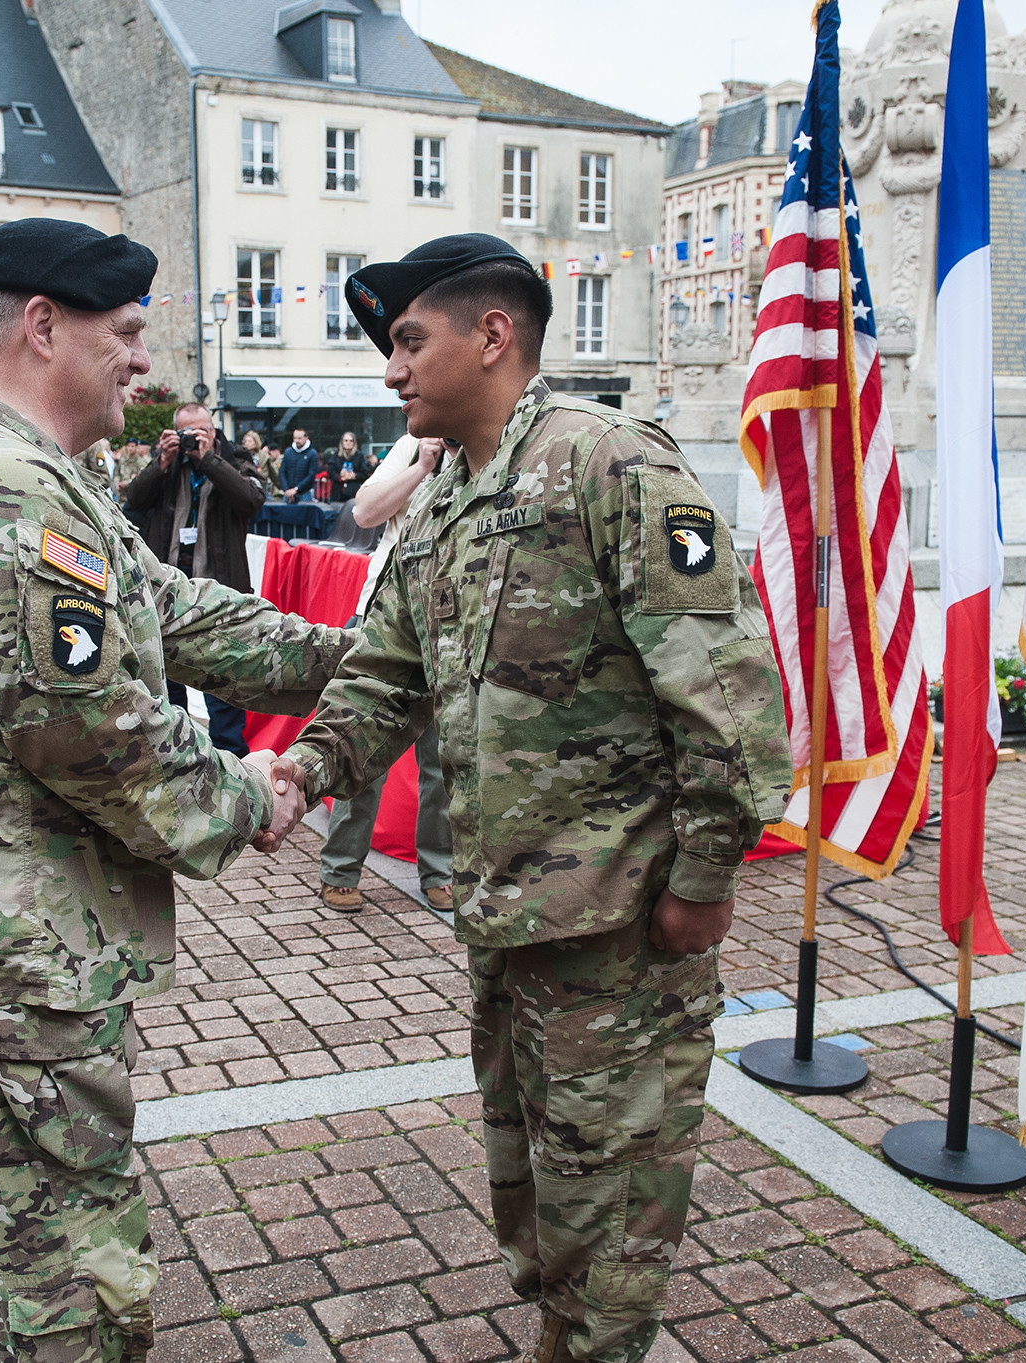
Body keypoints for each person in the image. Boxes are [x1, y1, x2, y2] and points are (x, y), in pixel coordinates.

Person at [266, 236, 793, 1363]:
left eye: (409, 340)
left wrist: (702, 879)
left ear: (492, 334)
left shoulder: (609, 464)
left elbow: (729, 700)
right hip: (507, 920)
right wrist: (302, 772)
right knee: (535, 1180)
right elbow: (382, 673)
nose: (392, 371)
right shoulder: (446, 500)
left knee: (611, 1201)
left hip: (617, 928)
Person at [0, 218, 350, 1363]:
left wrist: (354, 654)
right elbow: (95, 739)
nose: (141, 360)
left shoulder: (34, 473)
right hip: (5, 956)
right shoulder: (5, 493)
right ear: (42, 327)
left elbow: (171, 611)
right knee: (64, 1275)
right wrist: (250, 796)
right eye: (125, 334)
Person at [316, 433, 454, 915]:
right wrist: (423, 467)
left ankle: (439, 870)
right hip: (382, 617)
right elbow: (364, 512)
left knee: (442, 760)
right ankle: (340, 869)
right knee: (363, 742)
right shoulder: (415, 443)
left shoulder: (490, 448)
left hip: (448, 625)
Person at [123, 402, 266, 756]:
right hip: (166, 592)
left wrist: (209, 461)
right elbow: (135, 501)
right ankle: (180, 762)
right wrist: (160, 462)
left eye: (200, 431)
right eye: (186, 432)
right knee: (168, 687)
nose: (192, 439)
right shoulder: (169, 464)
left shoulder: (233, 459)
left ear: (213, 431)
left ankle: (234, 767)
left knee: (223, 688)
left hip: (218, 591)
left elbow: (250, 500)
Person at [278, 427, 320, 502]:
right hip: (288, 493)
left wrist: (296, 489)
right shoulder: (288, 452)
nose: (296, 441)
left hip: (304, 493)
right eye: (295, 438)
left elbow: (311, 475)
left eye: (299, 438)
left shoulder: (312, 454)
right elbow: (282, 471)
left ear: (306, 438)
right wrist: (286, 489)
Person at [326, 429, 369, 501]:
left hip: (354, 492)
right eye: (346, 440)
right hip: (338, 493)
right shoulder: (335, 455)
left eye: (351, 441)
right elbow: (330, 471)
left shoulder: (360, 456)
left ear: (354, 443)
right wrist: (340, 477)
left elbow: (364, 472)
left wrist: (354, 475)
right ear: (342, 442)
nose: (348, 443)